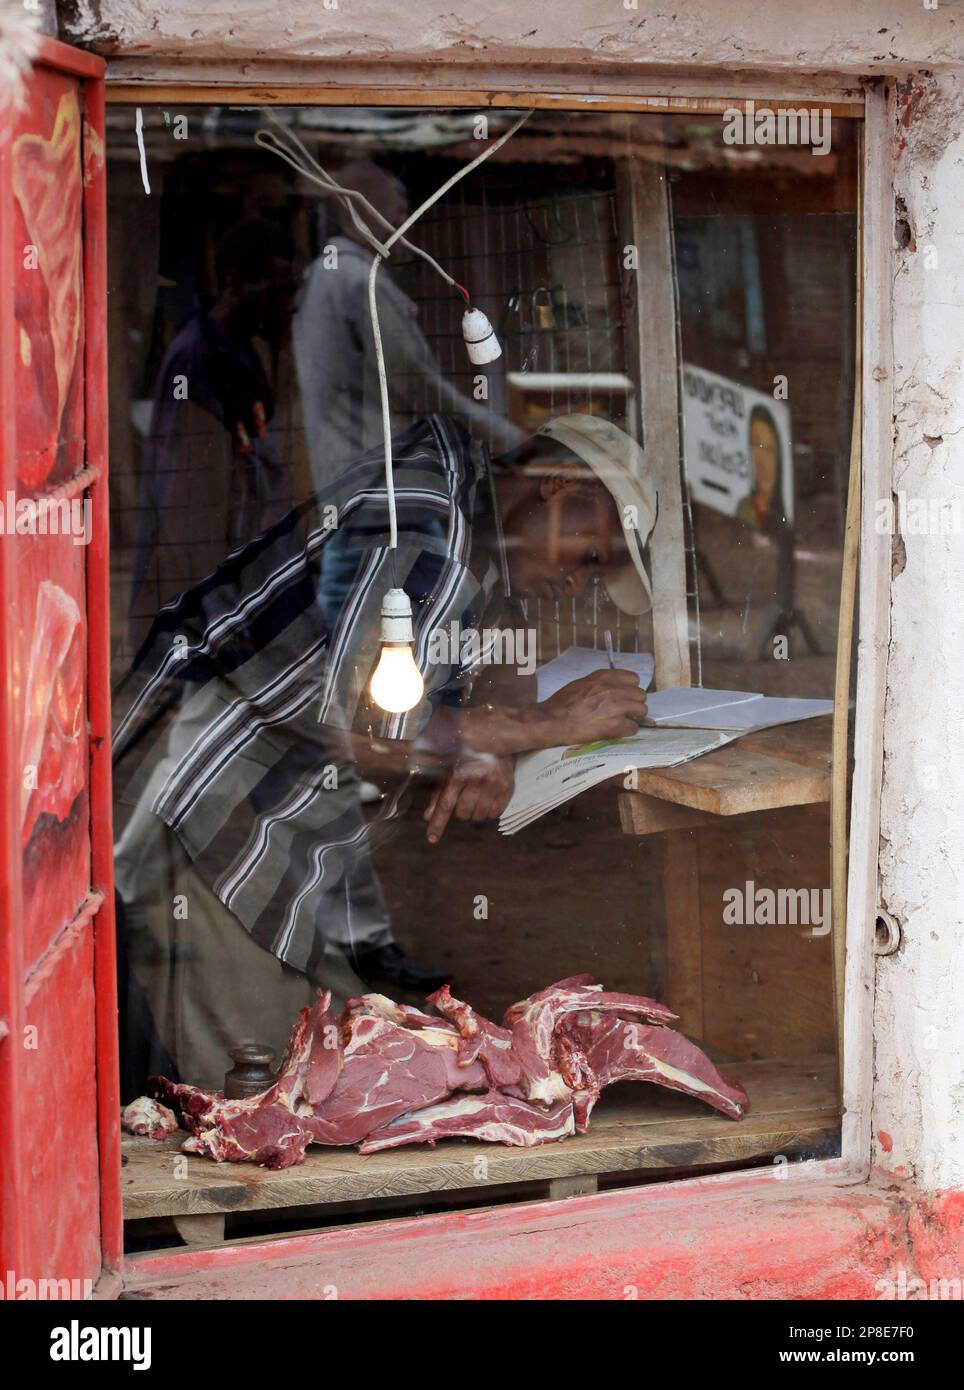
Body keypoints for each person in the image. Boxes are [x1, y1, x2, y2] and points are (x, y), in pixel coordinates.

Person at [113, 411, 651, 1088]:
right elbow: (366, 728)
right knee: (267, 1087)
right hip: (202, 804)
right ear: (560, 486)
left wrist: (495, 748)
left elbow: (500, 642)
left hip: (277, 825)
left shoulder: (480, 507)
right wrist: (544, 726)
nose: (579, 584)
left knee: (362, 1049)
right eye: (592, 556)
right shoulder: (421, 526)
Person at [292, 160, 524, 491]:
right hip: (386, 493)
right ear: (369, 214)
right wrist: (505, 438)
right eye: (397, 214)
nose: (405, 226)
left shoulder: (322, 277)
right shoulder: (362, 283)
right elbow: (420, 386)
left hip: (344, 485)